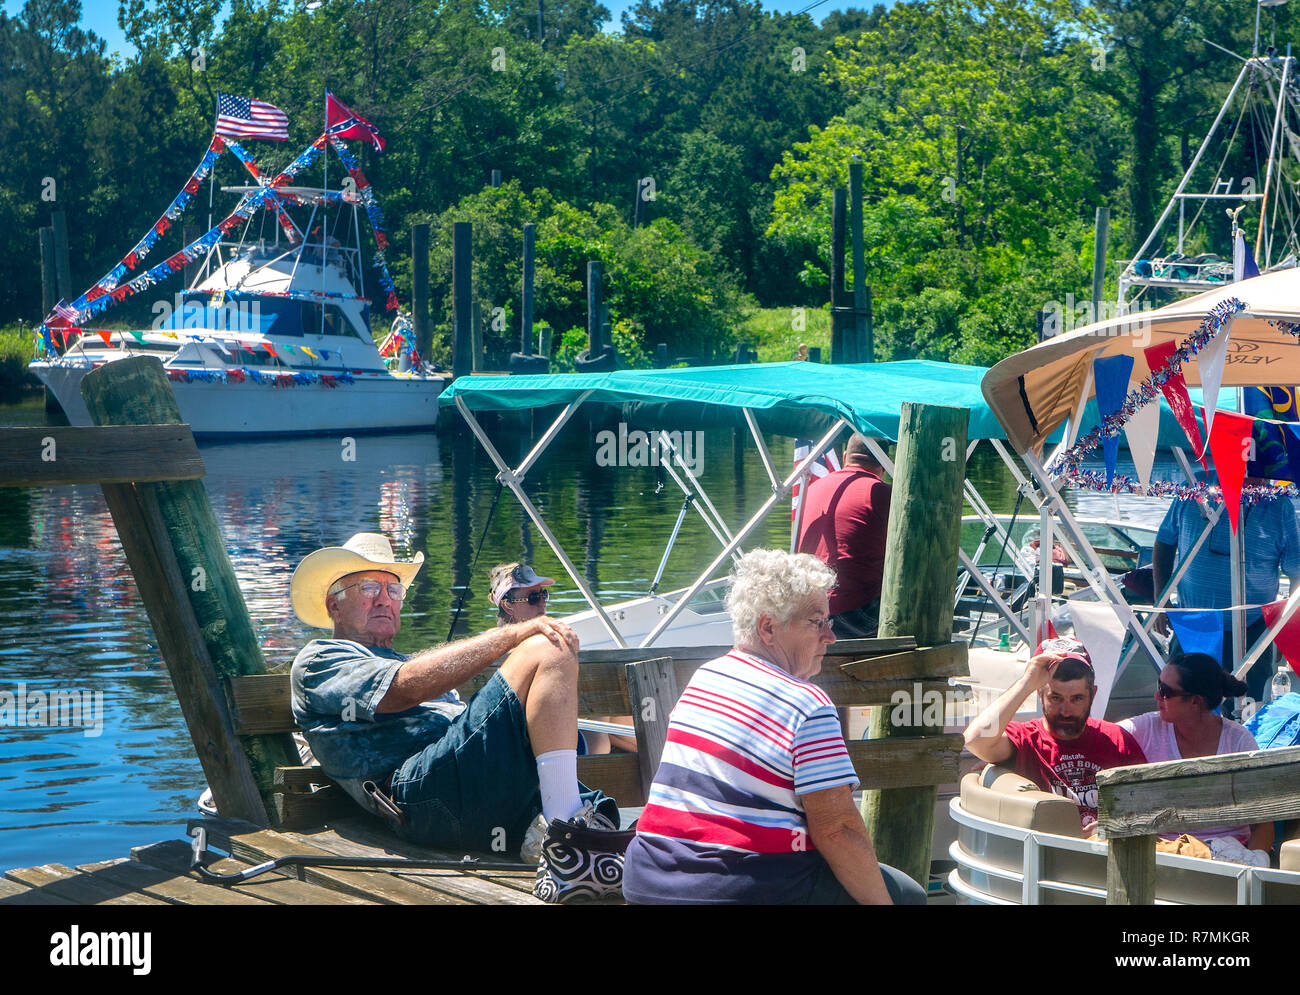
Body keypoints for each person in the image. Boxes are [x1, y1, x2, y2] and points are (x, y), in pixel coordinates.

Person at [289, 533, 620, 875]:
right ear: (334, 605)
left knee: (606, 784)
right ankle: (565, 838)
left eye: (394, 590)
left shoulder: (400, 660)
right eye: (370, 588)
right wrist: (513, 635)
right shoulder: (320, 660)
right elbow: (402, 689)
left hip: (476, 791)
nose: (385, 600)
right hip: (421, 795)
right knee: (548, 646)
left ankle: (571, 830)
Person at [621, 548, 927, 905]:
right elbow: (836, 830)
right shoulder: (807, 705)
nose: (830, 637)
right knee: (906, 894)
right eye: (817, 622)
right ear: (768, 627)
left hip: (648, 879)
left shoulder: (706, 678)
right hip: (732, 888)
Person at [963, 637, 1146, 833]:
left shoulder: (1116, 738)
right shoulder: (1025, 739)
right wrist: (1026, 683)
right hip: (1047, 855)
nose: (1065, 711)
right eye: (1055, 698)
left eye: (1077, 699)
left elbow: (1149, 800)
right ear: (1040, 694)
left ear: (1093, 695)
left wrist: (1112, 827)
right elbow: (974, 741)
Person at [1118, 652, 1273, 863]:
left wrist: (1253, 865)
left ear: (1194, 701)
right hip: (1166, 855)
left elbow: (1263, 824)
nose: (1156, 695)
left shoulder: (1238, 741)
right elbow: (1100, 735)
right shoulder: (1146, 728)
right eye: (1158, 685)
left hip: (1231, 858)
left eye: (1165, 691)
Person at [1152, 492, 1300, 704]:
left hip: (1253, 629)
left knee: (1249, 706)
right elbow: (1164, 542)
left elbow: (1296, 571)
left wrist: (1285, 627)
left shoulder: (1279, 504)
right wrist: (1161, 598)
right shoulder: (1193, 490)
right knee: (1181, 705)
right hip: (1193, 623)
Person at [796, 433, 892, 638]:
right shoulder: (883, 493)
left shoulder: (813, 488)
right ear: (884, 465)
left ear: (846, 455)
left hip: (808, 610)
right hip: (852, 614)